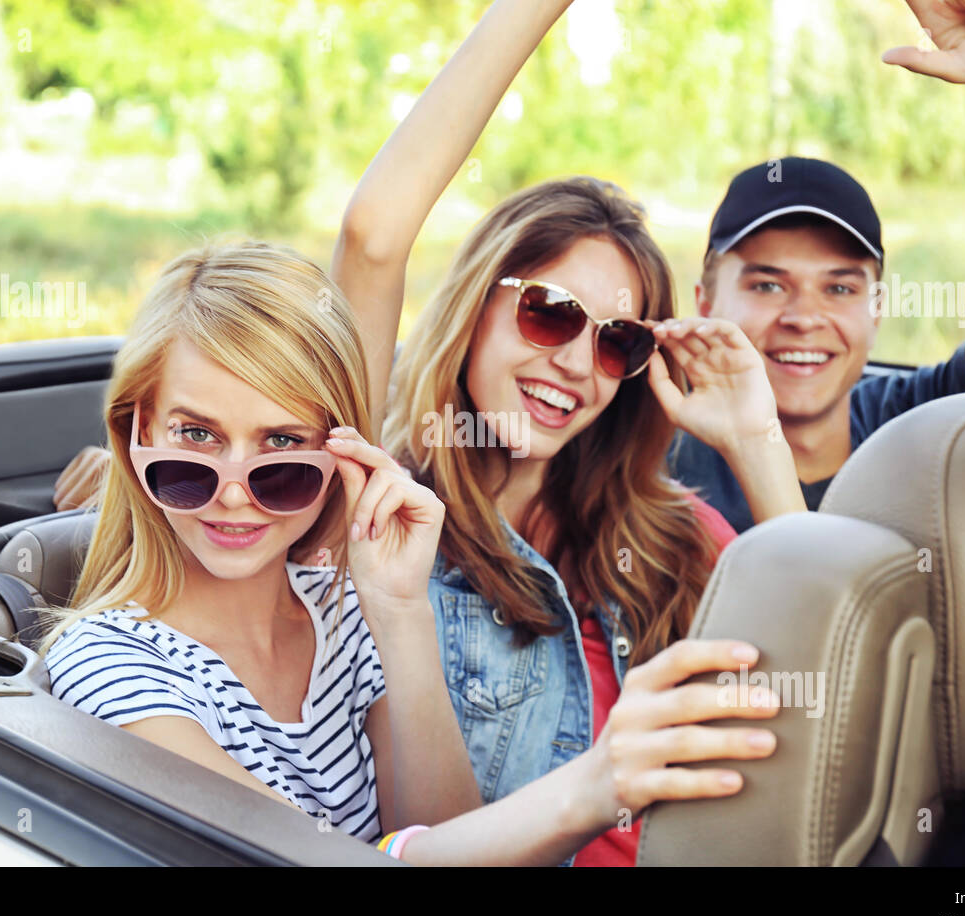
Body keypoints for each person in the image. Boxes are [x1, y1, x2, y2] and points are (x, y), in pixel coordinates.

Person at [41, 239, 782, 866]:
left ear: (341, 452)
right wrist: (593, 786)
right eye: (196, 437)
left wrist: (398, 611)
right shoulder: (108, 664)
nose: (234, 491)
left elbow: (442, 831)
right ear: (135, 431)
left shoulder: (339, 608)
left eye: (283, 446)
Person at [334, 1, 802, 866]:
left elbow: (829, 680)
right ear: (477, 306)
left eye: (616, 341)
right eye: (550, 314)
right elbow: (371, 237)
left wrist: (757, 438)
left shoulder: (668, 534)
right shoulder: (377, 505)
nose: (577, 364)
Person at [670, 0, 965, 531]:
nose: (804, 317)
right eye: (768, 285)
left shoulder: (921, 428)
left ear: (878, 308)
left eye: (839, 289)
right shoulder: (645, 456)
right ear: (705, 303)